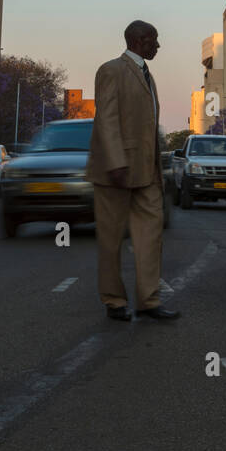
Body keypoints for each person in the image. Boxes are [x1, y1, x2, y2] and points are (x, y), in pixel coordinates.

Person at [87, 20, 180, 323]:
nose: (158, 46)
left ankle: (148, 301)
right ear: (140, 41)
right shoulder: (111, 70)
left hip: (147, 172)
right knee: (111, 240)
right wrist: (115, 161)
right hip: (116, 171)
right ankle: (114, 301)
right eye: (155, 40)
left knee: (151, 237)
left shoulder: (147, 76)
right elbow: (107, 118)